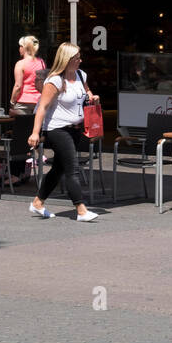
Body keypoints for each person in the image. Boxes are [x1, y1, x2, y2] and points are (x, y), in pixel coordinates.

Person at [28, 43, 99, 221]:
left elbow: (87, 92)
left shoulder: (81, 75)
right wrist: (35, 133)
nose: (80, 61)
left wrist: (92, 96)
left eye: (80, 57)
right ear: (66, 60)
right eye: (76, 58)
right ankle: (81, 209)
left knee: (58, 169)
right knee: (72, 169)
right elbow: (42, 107)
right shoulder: (55, 81)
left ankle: (37, 202)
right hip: (57, 129)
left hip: (75, 129)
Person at [8, 35, 46, 179]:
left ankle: (16, 174)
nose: (19, 48)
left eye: (20, 46)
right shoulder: (41, 62)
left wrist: (12, 102)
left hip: (23, 103)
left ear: (24, 48)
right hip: (38, 103)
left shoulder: (20, 64)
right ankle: (26, 170)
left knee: (19, 138)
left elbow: (18, 86)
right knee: (32, 136)